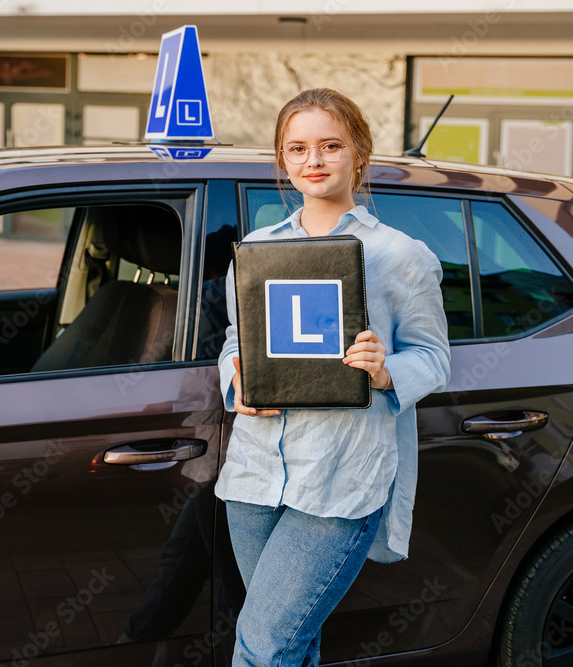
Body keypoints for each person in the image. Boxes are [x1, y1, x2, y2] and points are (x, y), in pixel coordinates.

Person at [215, 88, 451, 666]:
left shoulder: (400, 255)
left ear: (359, 153)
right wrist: (237, 381)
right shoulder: (255, 250)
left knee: (264, 644)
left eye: (330, 145)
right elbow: (233, 341)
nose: (313, 160)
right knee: (291, 640)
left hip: (341, 479)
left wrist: (385, 369)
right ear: (282, 160)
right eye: (297, 148)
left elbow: (435, 358)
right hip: (254, 474)